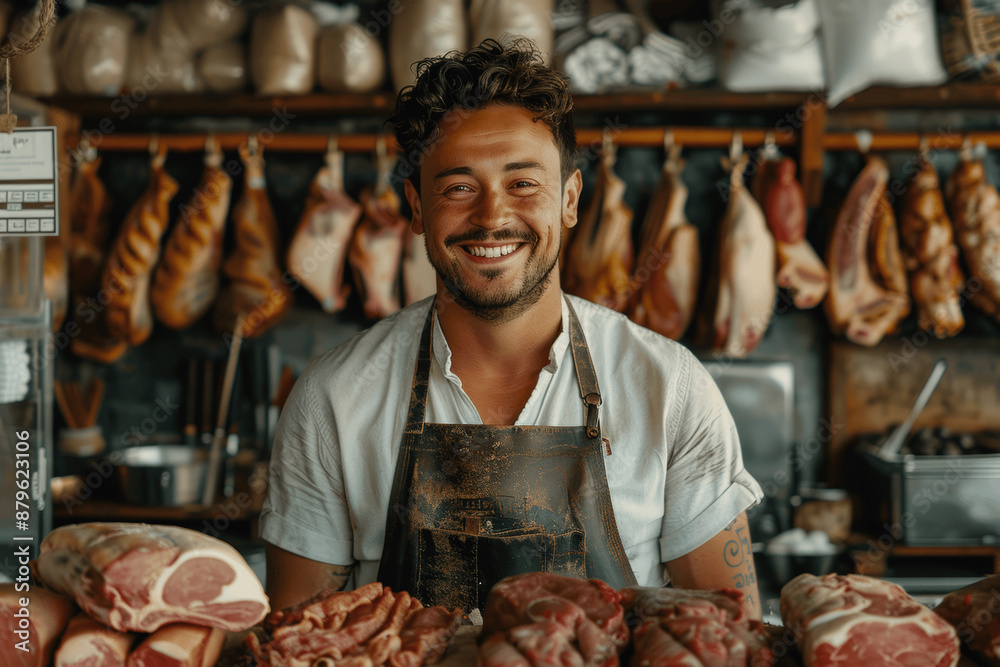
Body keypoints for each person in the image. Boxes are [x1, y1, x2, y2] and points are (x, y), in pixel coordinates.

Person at [261, 38, 764, 618]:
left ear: (570, 199)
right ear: (417, 208)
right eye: (457, 188)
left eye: (523, 183)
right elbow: (300, 642)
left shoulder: (670, 387)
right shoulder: (333, 398)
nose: (492, 216)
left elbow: (734, 637)